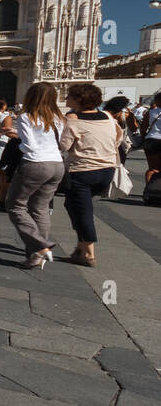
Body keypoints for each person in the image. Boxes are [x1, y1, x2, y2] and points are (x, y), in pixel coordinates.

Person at [0, 83, 65, 269]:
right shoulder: (58, 118)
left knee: (15, 206)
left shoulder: (27, 116)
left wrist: (16, 137)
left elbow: (29, 146)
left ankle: (41, 246)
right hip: (57, 165)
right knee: (40, 208)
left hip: (36, 164)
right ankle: (35, 255)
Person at [59, 84, 121, 268]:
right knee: (73, 205)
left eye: (69, 95)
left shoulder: (72, 118)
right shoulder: (108, 117)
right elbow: (117, 138)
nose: (66, 98)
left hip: (82, 171)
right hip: (107, 170)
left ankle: (88, 253)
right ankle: (81, 247)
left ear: (79, 99)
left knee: (83, 211)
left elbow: (63, 146)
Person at [143, 93, 161, 189]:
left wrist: (142, 138)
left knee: (153, 169)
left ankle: (149, 190)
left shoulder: (150, 112)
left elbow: (144, 127)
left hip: (152, 141)